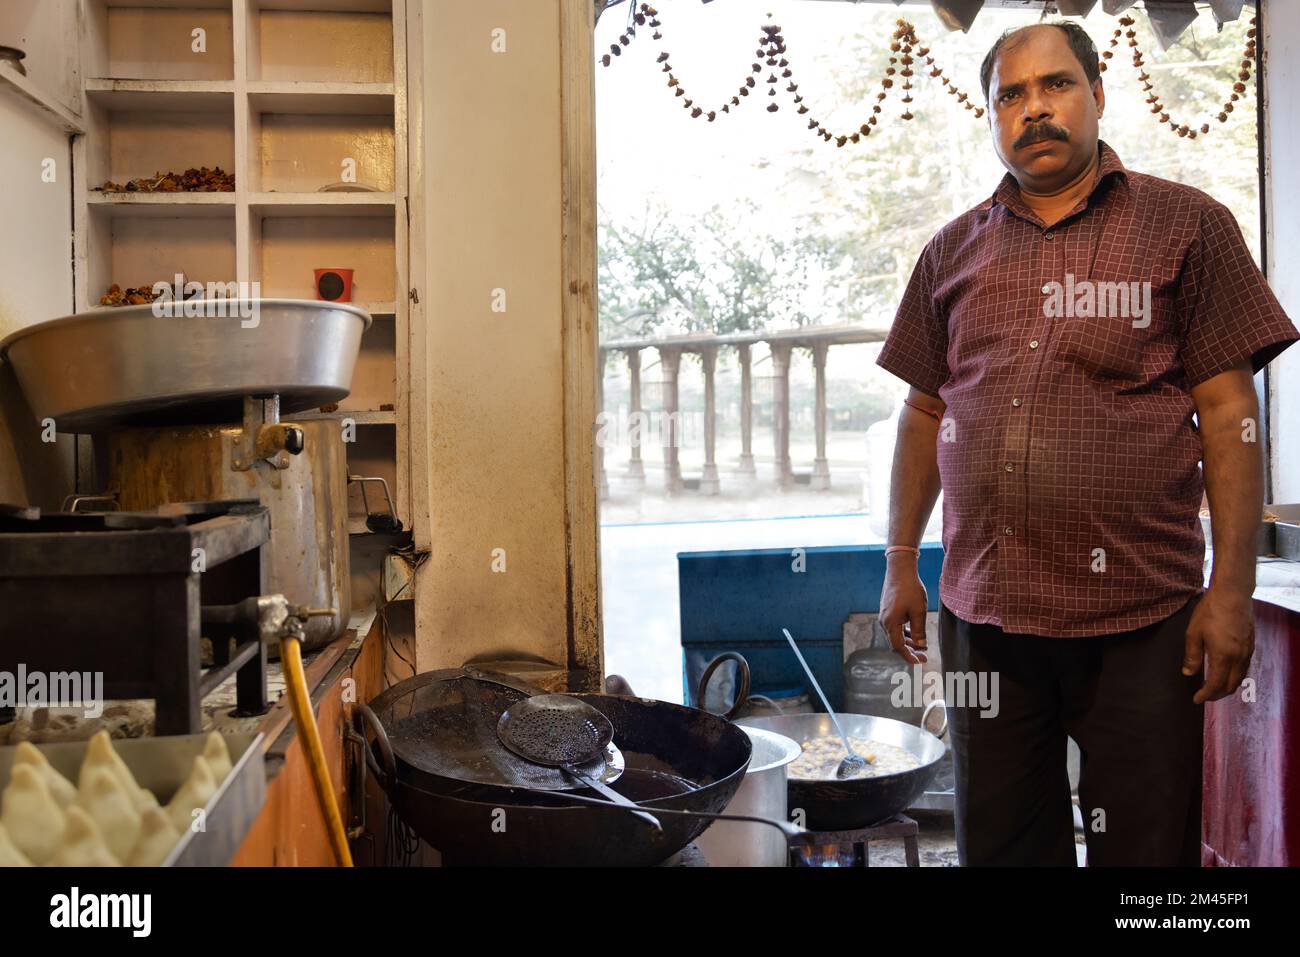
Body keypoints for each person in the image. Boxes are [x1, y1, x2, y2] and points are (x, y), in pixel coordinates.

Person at [876, 21, 1297, 866]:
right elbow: (925, 413)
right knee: (1000, 843)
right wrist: (897, 560)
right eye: (1011, 94)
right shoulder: (950, 251)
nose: (1034, 109)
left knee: (1145, 854)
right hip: (984, 615)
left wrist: (1231, 591)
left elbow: (1227, 414)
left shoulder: (1188, 226)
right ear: (993, 115)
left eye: (1056, 85)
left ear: (1098, 94)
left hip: (1141, 618)